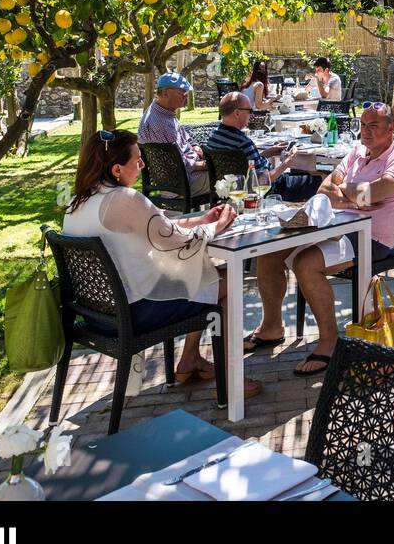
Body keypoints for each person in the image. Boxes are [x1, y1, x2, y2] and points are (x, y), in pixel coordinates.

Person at [62, 129, 261, 397]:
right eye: (137, 160)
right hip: (135, 312)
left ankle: (190, 359)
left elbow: (159, 227)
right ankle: (232, 381)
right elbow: (171, 239)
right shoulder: (122, 199)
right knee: (228, 281)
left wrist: (202, 220)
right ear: (117, 169)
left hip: (96, 316)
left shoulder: (76, 201)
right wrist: (218, 226)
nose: (143, 165)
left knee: (204, 279)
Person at [248, 104, 394, 375]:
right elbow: (325, 187)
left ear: (391, 128)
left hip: (371, 237)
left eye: (373, 126)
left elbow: (377, 191)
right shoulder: (358, 152)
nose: (366, 131)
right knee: (268, 252)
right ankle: (272, 327)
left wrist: (346, 190)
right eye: (363, 125)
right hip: (334, 225)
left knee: (306, 264)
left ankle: (329, 342)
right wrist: (353, 198)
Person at [205, 92, 323, 201]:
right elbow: (260, 182)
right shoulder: (243, 142)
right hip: (271, 190)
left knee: (303, 175)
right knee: (321, 179)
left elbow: (242, 164)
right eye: (249, 110)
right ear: (237, 113)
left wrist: (269, 152)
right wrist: (286, 163)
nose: (251, 114)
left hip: (236, 190)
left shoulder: (214, 137)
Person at [137, 72, 210, 198]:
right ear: (165, 93)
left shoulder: (162, 112)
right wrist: (207, 164)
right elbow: (181, 164)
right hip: (180, 185)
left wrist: (195, 146)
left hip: (180, 180)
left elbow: (185, 138)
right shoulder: (161, 123)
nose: (185, 95)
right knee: (232, 177)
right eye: (181, 91)